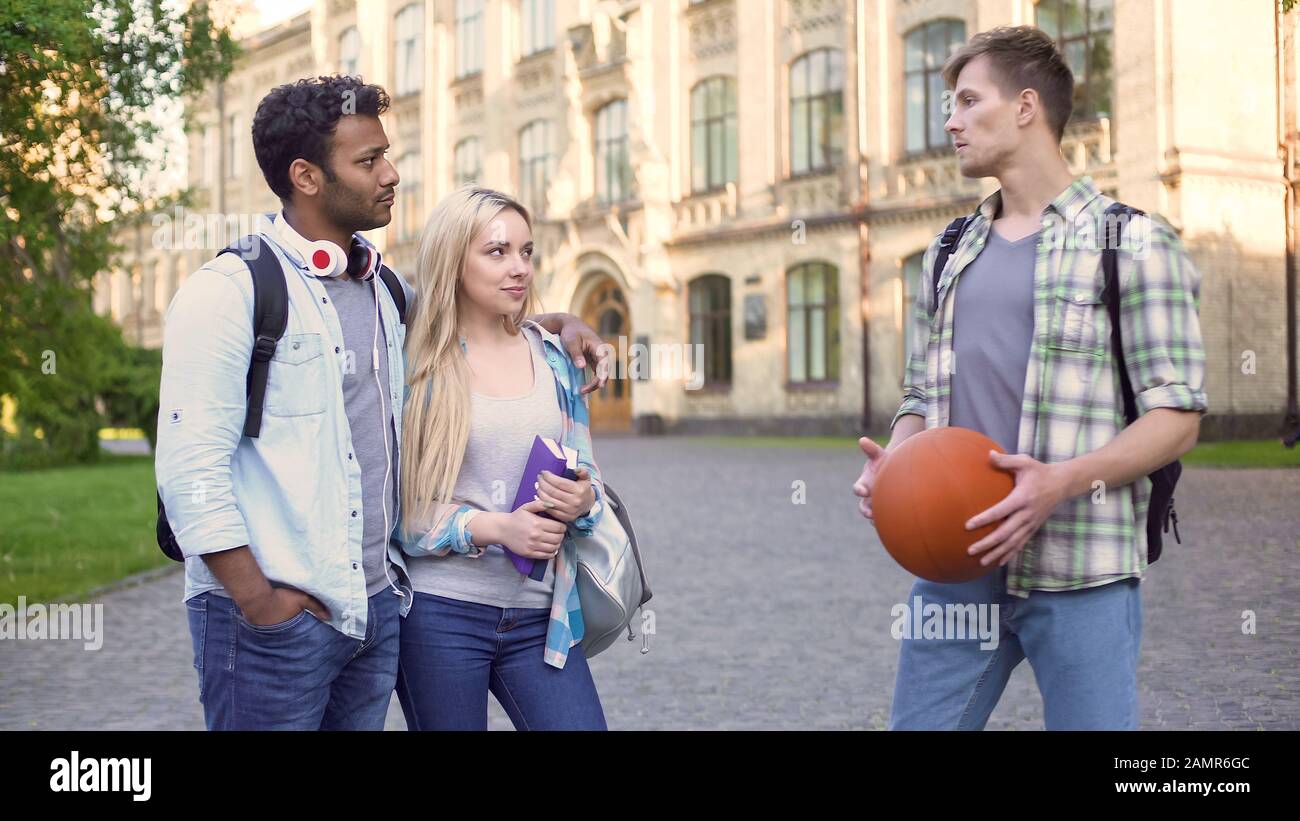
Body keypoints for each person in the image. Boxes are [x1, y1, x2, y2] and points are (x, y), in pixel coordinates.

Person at [156, 77, 605, 730]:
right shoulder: (230, 290)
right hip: (271, 621)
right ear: (307, 177)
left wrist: (561, 321)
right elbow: (187, 472)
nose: (392, 174)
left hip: (373, 611)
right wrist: (261, 601)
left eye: (386, 154)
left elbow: (475, 316)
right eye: (369, 161)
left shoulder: (386, 289)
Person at [852, 26, 1207, 730]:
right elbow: (922, 393)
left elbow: (1178, 416)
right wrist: (898, 458)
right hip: (956, 567)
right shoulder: (948, 251)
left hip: (1082, 568)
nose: (949, 121)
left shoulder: (1134, 243)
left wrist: (1059, 481)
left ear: (1024, 107)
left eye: (965, 101)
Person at [395, 185, 608, 731]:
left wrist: (583, 498)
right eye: (497, 252)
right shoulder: (416, 367)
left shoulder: (557, 358)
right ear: (453, 261)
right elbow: (400, 515)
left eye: (527, 252)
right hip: (441, 615)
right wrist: (495, 528)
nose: (519, 268)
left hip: (542, 615)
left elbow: (588, 475)